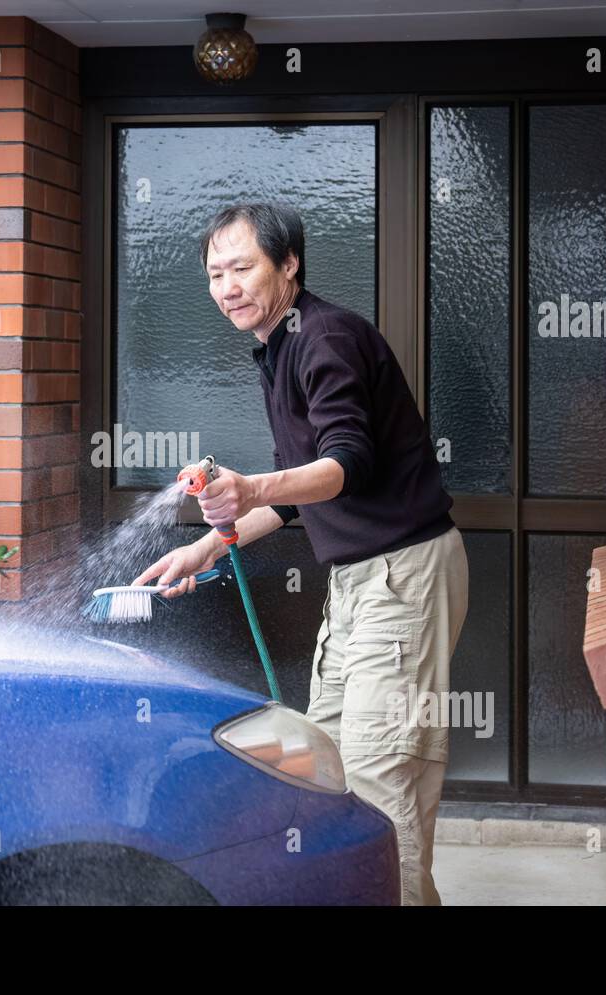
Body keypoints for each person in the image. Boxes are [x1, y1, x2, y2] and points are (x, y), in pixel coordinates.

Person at [133, 202, 469, 906]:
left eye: (242, 267)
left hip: (401, 573)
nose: (227, 286)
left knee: (380, 785)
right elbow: (296, 496)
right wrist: (202, 550)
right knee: (333, 773)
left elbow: (345, 462)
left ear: (288, 265)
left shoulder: (325, 338)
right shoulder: (279, 347)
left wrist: (249, 482)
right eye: (215, 272)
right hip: (357, 582)